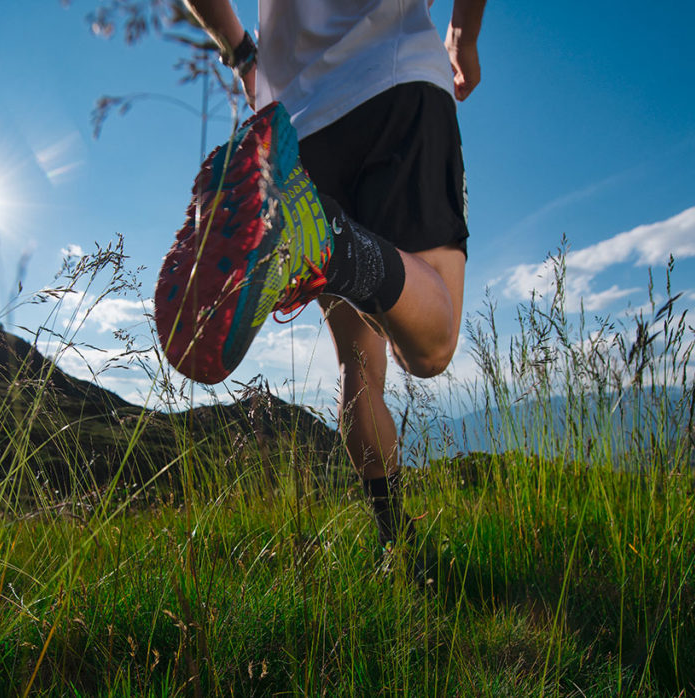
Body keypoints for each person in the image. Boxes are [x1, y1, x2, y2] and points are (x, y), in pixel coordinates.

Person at [156, 0, 484, 563]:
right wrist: (462, 36)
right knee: (431, 347)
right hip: (398, 73)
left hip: (301, 129)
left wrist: (242, 56)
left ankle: (394, 538)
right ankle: (329, 242)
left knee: (358, 366)